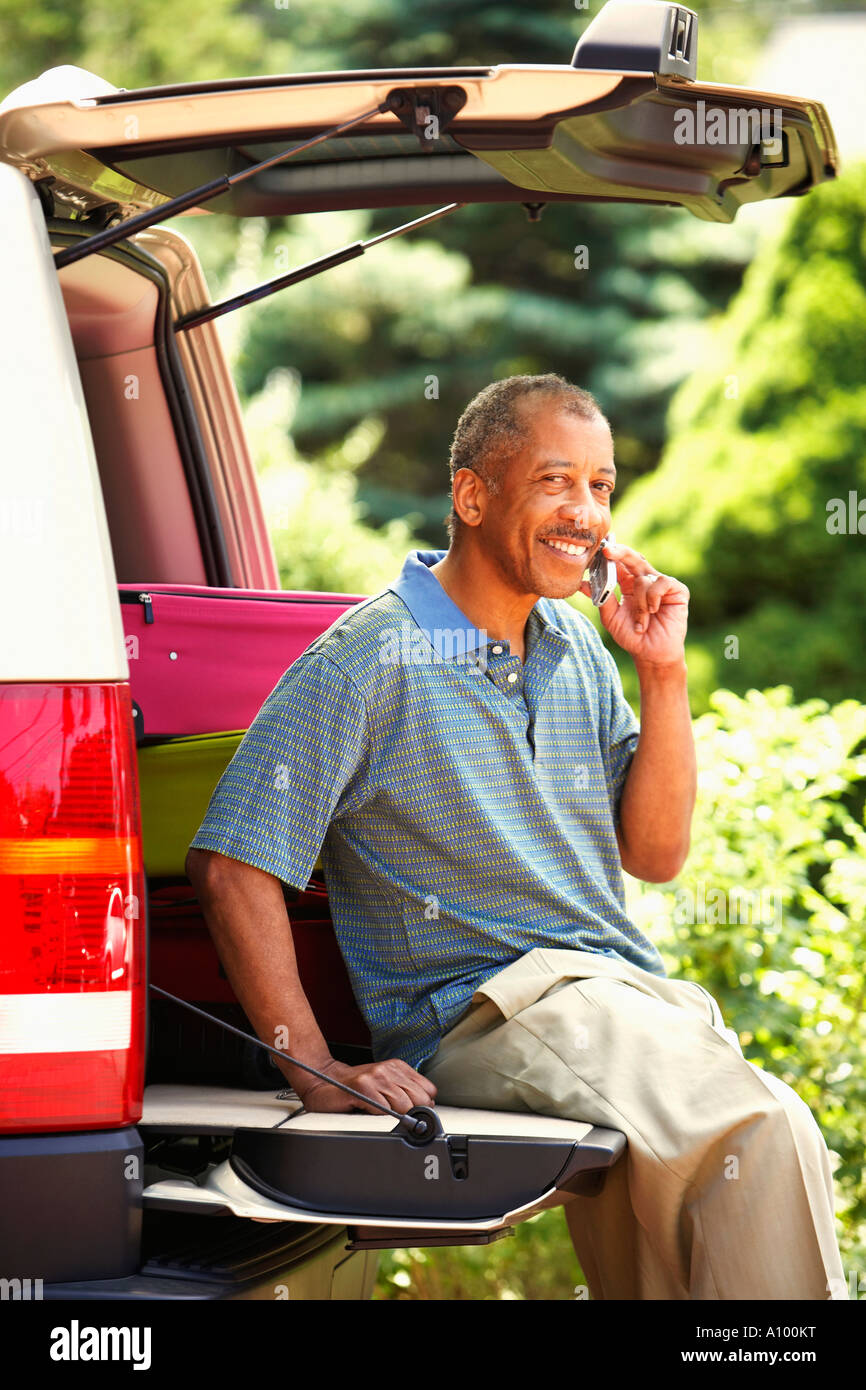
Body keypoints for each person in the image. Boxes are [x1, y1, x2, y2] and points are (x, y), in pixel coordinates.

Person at [186, 373, 846, 1300]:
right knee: (763, 1133)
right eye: (555, 482)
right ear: (472, 495)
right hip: (494, 1010)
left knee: (677, 1240)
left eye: (603, 486)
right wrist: (318, 1071)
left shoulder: (576, 646)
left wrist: (662, 672)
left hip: (623, 1000)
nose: (587, 511)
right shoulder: (365, 661)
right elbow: (229, 867)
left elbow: (654, 853)